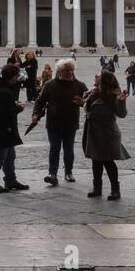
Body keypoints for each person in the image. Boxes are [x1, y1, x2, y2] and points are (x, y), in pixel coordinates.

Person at [29, 57, 88, 186]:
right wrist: (35, 114)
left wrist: (83, 103)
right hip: (53, 121)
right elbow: (40, 101)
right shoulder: (50, 85)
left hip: (71, 122)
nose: (70, 72)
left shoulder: (80, 85)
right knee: (54, 148)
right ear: (60, 71)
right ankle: (52, 174)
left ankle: (68, 172)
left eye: (71, 69)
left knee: (69, 149)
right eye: (66, 70)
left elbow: (90, 102)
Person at [83, 70, 129, 200]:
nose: (96, 76)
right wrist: (83, 101)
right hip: (93, 131)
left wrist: (121, 102)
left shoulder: (112, 95)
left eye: (99, 75)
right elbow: (90, 109)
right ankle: (97, 188)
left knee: (108, 161)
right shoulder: (93, 93)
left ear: (104, 80)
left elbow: (122, 114)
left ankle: (115, 190)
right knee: (96, 161)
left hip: (107, 133)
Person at [0, 64, 29, 194]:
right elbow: (5, 111)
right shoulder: (3, 91)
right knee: (0, 157)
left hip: (3, 128)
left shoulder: (0, 87)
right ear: (13, 76)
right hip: (3, 129)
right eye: (16, 76)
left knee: (9, 156)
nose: (17, 78)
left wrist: (13, 104)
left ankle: (10, 180)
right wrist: (19, 108)